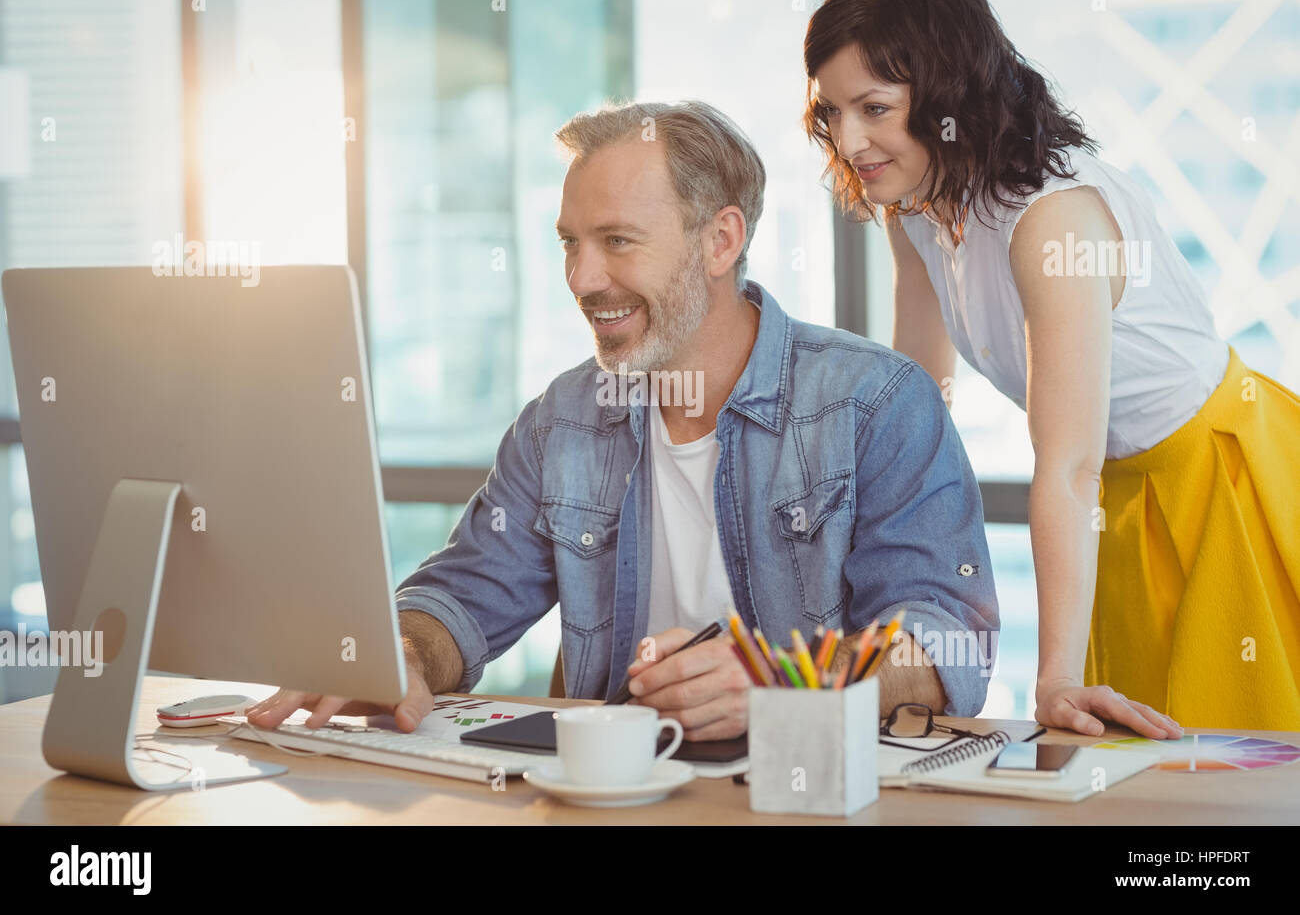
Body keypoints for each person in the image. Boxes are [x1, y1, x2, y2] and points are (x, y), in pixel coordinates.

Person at [247, 99, 999, 740]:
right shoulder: (562, 421)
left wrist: (787, 681)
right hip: (614, 799)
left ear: (721, 240)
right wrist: (400, 656)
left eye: (617, 242)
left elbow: (947, 639)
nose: (582, 279)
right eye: (570, 243)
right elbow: (461, 597)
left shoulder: (878, 402)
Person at [803, 0, 1300, 734]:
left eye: (875, 107)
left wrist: (1053, 679)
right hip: (1117, 502)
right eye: (832, 110)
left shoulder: (1053, 223)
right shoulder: (915, 206)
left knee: (1236, 769)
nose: (850, 139)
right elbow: (918, 406)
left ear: (947, 97)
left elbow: (1068, 466)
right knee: (1138, 772)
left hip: (1220, 478)